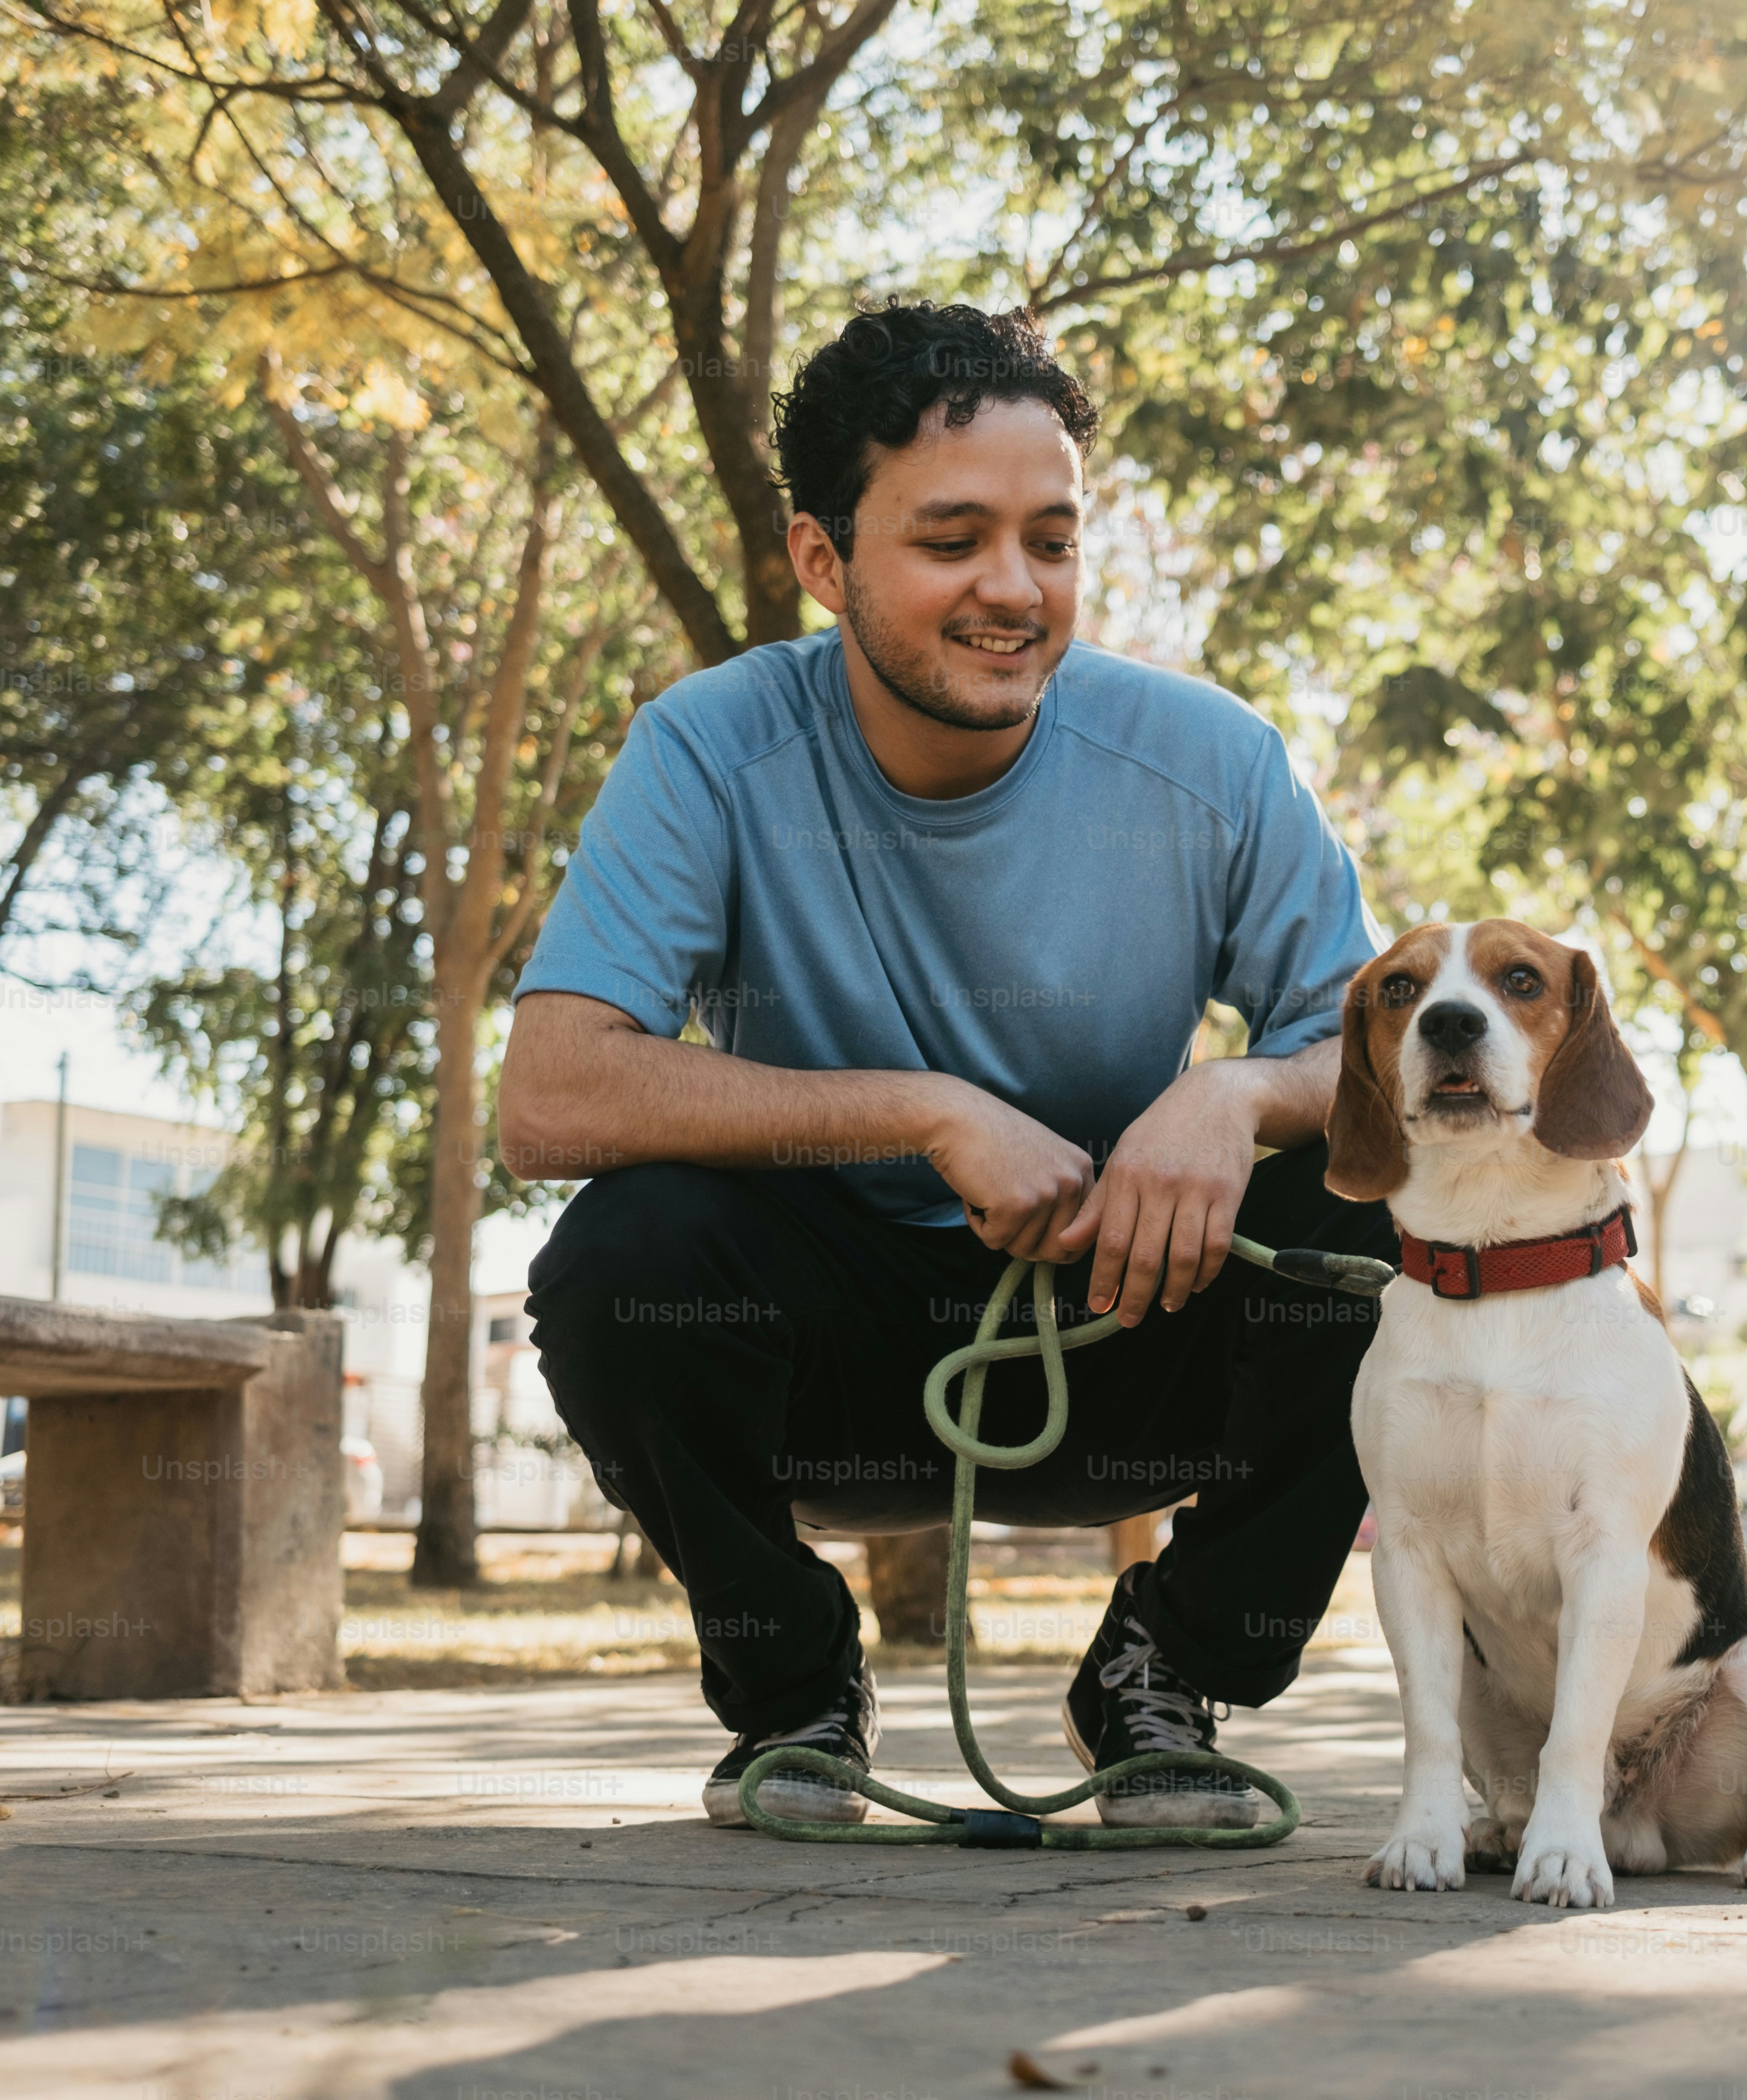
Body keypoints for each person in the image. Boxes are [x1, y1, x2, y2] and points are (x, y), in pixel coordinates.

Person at [499, 300, 1396, 1830]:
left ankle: (1166, 1673)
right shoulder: (708, 749)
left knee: (1384, 1214)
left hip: (1131, 1326)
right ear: (822, 559)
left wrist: (1230, 1095)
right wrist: (927, 1113)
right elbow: (553, 1093)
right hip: (838, 1363)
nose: (1013, 589)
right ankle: (794, 1695)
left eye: (1051, 539)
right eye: (951, 538)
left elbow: (1371, 1050)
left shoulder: (1210, 760)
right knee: (620, 1252)